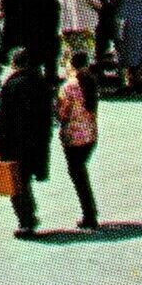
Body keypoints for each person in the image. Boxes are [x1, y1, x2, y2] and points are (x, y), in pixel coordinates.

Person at [0, 48, 54, 239]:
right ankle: (30, 215)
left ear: (14, 64)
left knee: (16, 183)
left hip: (15, 142)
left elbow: (3, 120)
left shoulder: (11, 86)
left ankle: (26, 220)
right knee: (25, 179)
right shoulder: (41, 84)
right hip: (36, 141)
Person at [56, 48, 100, 231]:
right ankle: (90, 212)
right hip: (90, 134)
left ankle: (89, 214)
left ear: (71, 64)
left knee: (78, 175)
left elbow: (62, 112)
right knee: (81, 173)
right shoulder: (91, 81)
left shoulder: (69, 86)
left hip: (73, 136)